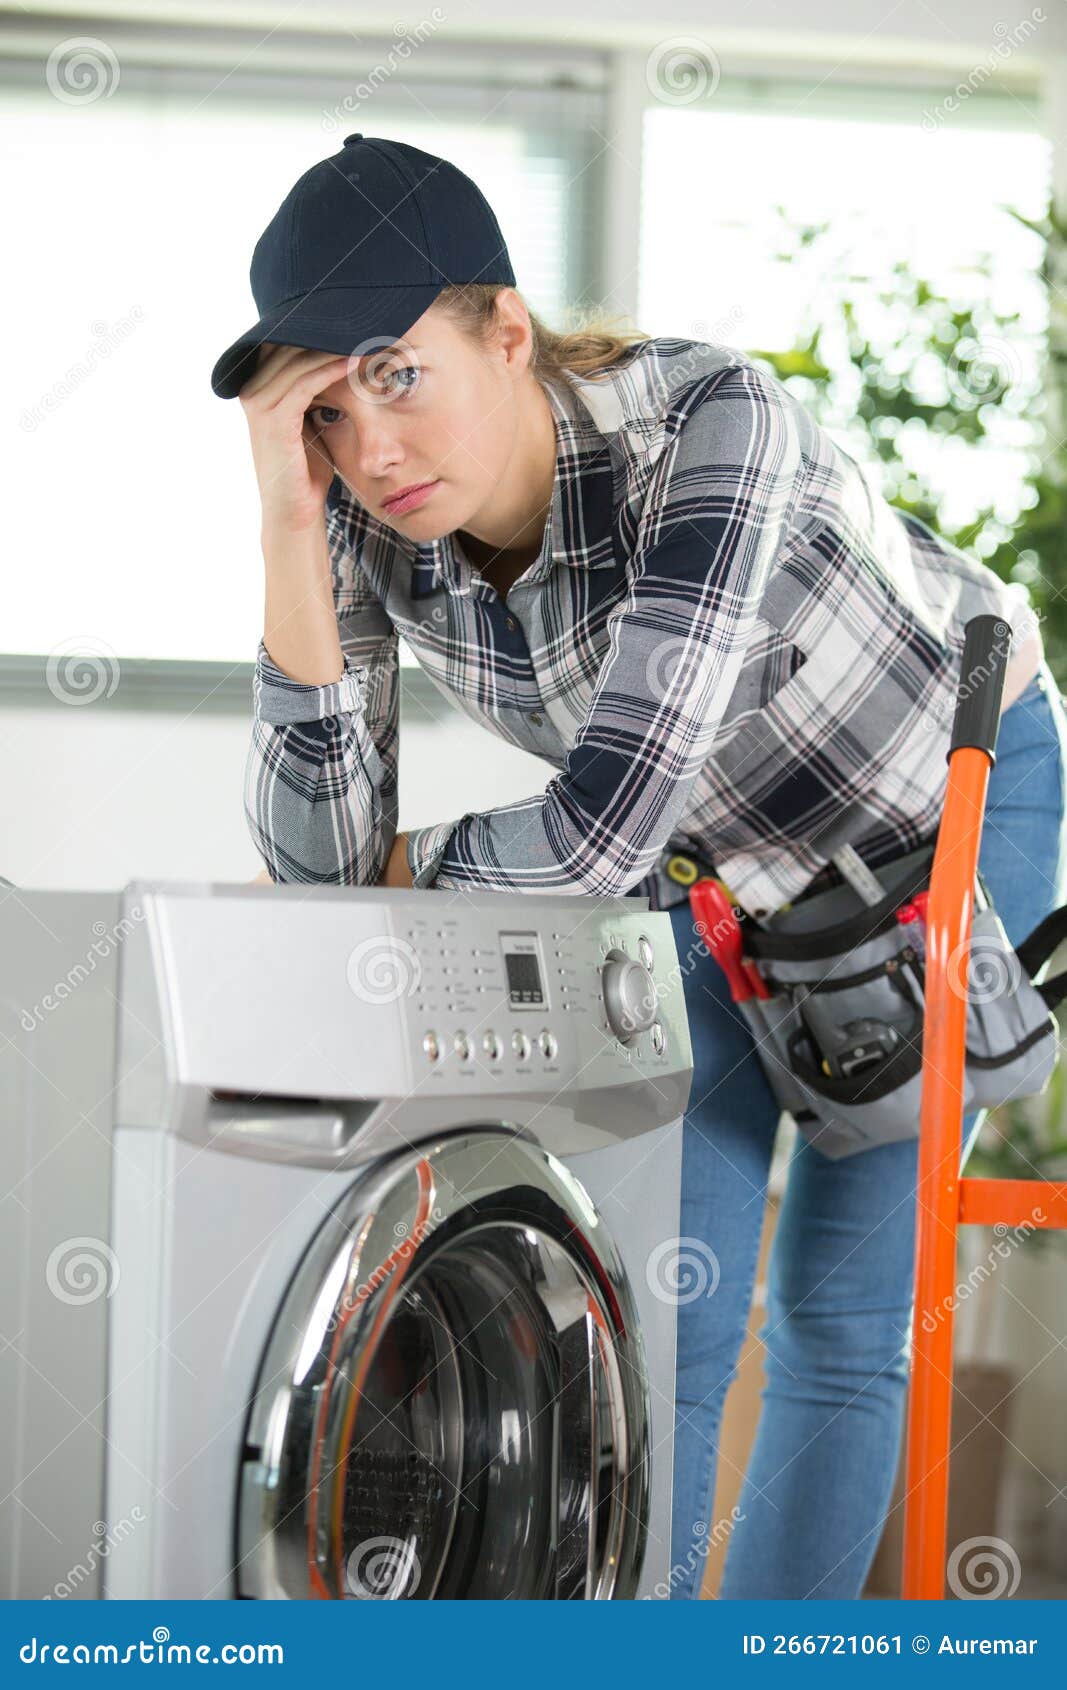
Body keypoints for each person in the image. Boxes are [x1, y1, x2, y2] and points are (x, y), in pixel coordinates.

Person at [211, 134, 1062, 1597]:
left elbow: (591, 829)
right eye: (326, 412)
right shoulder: (357, 513)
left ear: (509, 331)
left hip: (934, 814)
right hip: (703, 868)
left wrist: (407, 862)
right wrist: (291, 535)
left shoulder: (714, 424)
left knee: (841, 1319)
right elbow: (324, 866)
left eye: (397, 372)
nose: (375, 448)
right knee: (665, 1307)